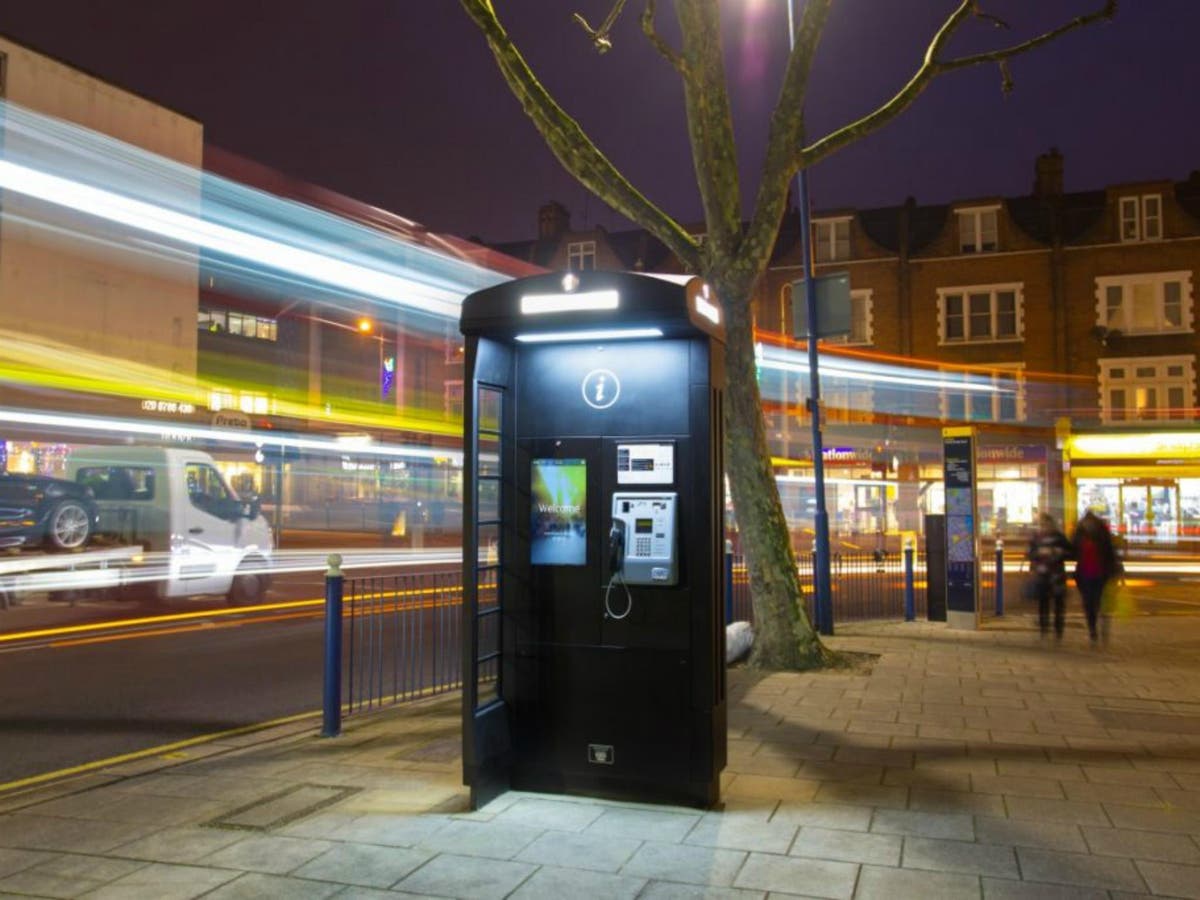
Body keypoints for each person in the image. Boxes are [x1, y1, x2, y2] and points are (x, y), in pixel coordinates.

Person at [1072, 510, 1121, 645]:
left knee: (1100, 602)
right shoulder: (1080, 534)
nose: (1088, 525)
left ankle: (1102, 627)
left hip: (1100, 573)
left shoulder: (1102, 535)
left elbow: (1111, 552)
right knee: (1089, 603)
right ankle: (1092, 629)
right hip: (1085, 575)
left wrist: (1116, 571)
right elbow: (1073, 551)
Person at [1027, 513, 1073, 640]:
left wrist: (1059, 552)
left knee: (1059, 603)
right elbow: (1030, 554)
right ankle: (1044, 629)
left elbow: (1071, 552)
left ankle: (1058, 630)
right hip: (1043, 575)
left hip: (1057, 575)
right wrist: (1037, 555)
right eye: (1041, 524)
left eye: (1045, 524)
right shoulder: (1036, 538)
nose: (1044, 527)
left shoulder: (1059, 538)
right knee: (1043, 603)